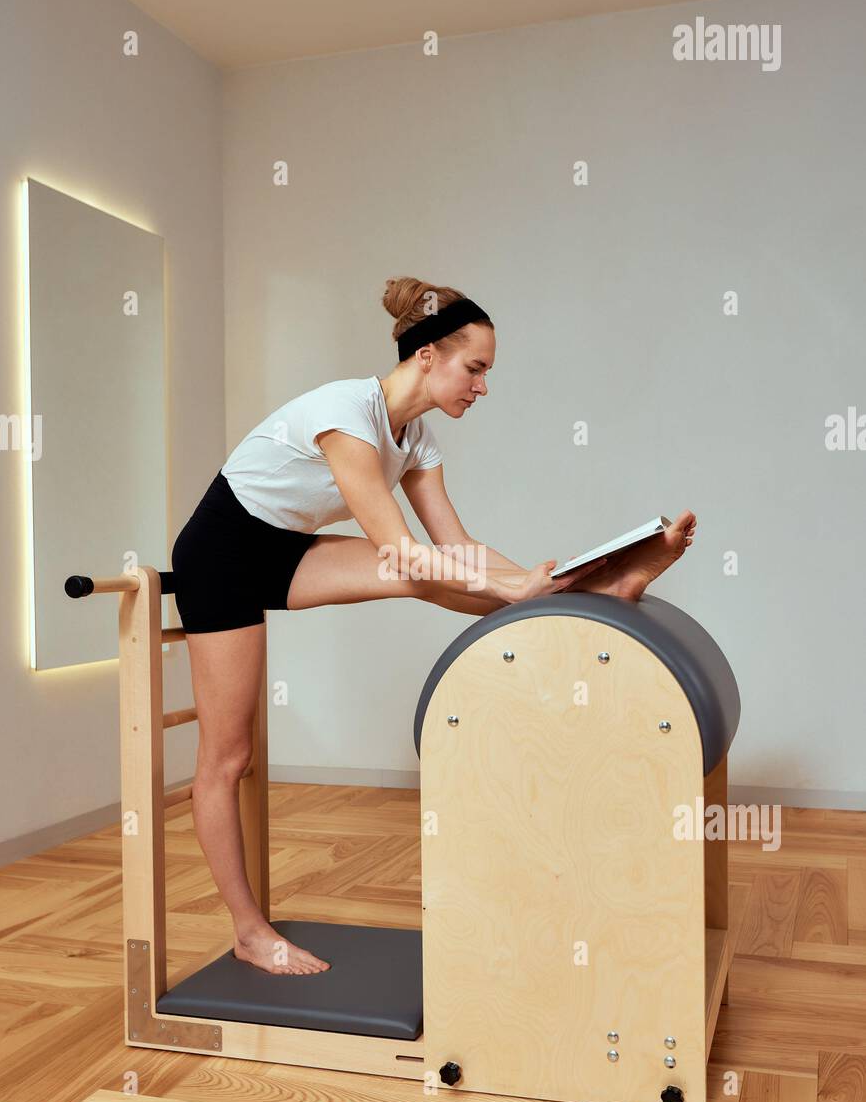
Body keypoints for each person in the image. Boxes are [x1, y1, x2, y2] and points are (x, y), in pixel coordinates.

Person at [171, 276, 696, 976]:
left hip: (286, 550)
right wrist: (512, 583)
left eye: (485, 372)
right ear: (425, 356)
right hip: (221, 557)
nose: (482, 387)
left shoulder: (415, 438)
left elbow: (451, 550)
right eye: (473, 368)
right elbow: (397, 547)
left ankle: (595, 589)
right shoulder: (344, 414)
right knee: (226, 758)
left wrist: (546, 578)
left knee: (433, 576)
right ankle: (246, 930)